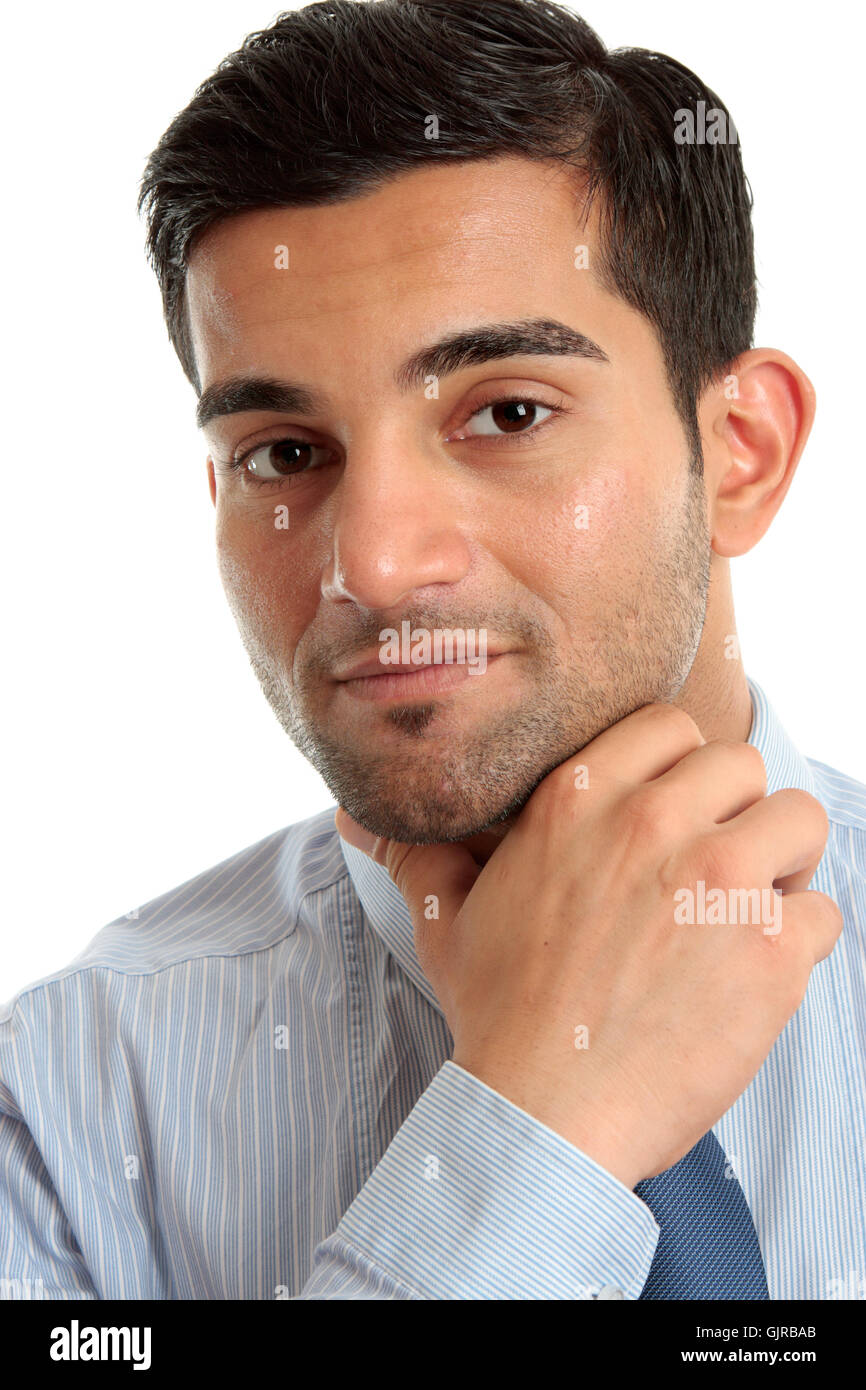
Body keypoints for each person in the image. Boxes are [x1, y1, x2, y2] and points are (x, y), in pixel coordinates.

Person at [1, 0, 863, 1301]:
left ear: (740, 452)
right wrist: (536, 1125)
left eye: (506, 411)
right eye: (284, 454)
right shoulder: (65, 1105)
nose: (375, 561)